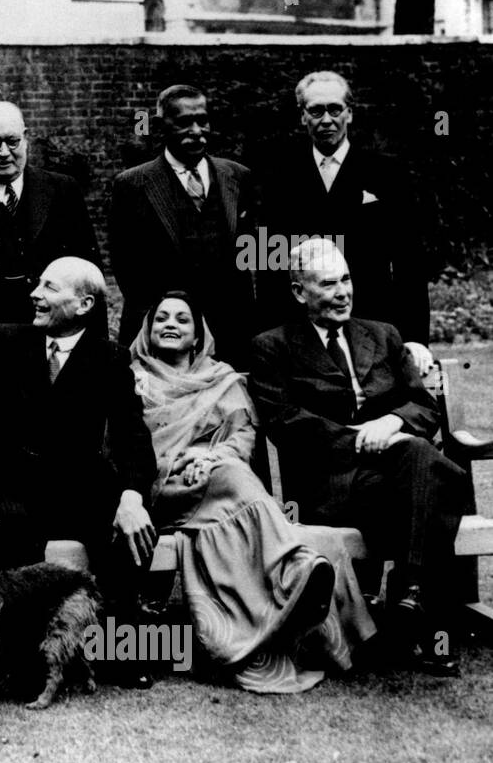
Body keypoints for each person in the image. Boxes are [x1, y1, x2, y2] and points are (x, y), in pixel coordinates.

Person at [130, 291, 377, 692]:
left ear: (197, 336)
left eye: (182, 319)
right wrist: (180, 459)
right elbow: (122, 444)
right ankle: (293, 567)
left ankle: (290, 578)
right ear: (148, 329)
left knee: (229, 471)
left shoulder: (221, 378)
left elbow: (242, 436)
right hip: (162, 487)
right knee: (232, 477)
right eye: (161, 318)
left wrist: (210, 456)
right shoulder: (131, 377)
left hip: (214, 481)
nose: (170, 324)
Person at [250, 239, 470, 677]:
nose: (342, 292)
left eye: (346, 279)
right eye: (328, 283)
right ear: (299, 292)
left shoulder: (383, 333)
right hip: (331, 483)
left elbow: (423, 405)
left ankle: (409, 588)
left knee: (419, 460)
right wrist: (356, 440)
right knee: (437, 477)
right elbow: (284, 421)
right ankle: (423, 612)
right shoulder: (272, 346)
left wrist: (390, 425)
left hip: (396, 477)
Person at [0, 257, 158, 688]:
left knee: (130, 529)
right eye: (38, 285)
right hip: (7, 486)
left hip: (79, 488)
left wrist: (132, 495)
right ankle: (15, 660)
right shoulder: (4, 340)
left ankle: (120, 651)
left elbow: (133, 435)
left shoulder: (109, 357)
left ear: (84, 304)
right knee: (3, 525)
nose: (35, 294)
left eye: (49, 288)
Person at [256, 70, 434, 367]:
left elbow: (409, 262)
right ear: (303, 116)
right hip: (304, 330)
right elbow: (268, 263)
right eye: (315, 110)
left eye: (335, 109)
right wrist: (269, 336)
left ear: (349, 114)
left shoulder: (387, 173)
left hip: (373, 325)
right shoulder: (280, 177)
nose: (326, 119)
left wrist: (414, 337)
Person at [0, 100, 101, 381]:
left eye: (12, 142)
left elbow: (89, 277)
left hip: (57, 344)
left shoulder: (63, 191)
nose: (3, 153)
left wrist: (97, 347)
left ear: (26, 138)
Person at [110, 83, 258, 367]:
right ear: (160, 126)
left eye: (202, 121)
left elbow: (247, 254)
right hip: (166, 334)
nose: (196, 131)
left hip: (230, 330)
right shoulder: (132, 185)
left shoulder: (237, 176)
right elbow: (126, 267)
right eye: (183, 122)